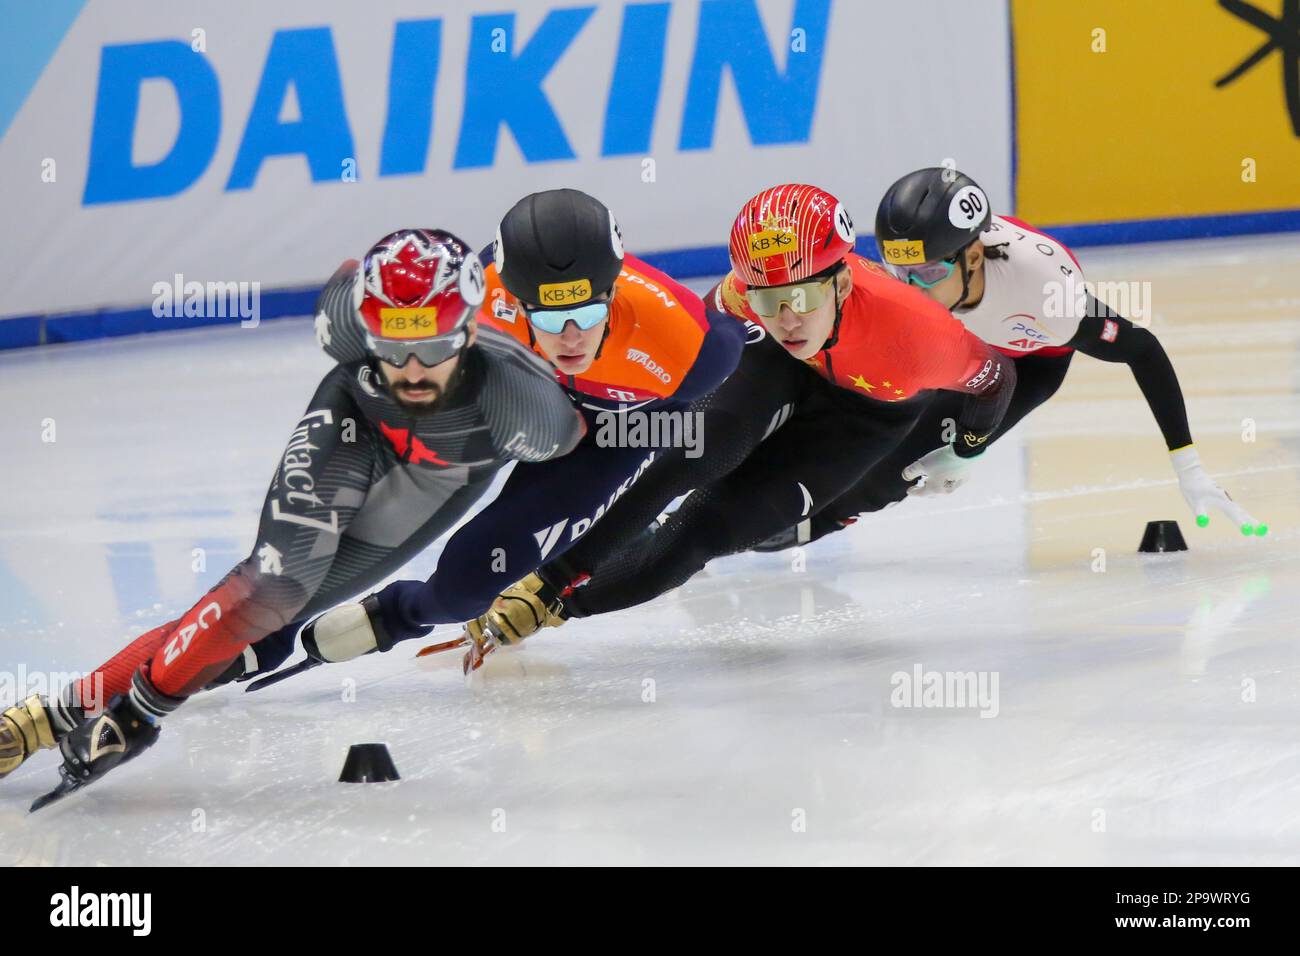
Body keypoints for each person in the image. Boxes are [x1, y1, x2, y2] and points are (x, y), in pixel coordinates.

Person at [2, 227, 586, 804]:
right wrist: (137, 715)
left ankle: (57, 715)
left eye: (432, 347)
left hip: (434, 480)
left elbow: (580, 458)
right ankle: (64, 720)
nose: (409, 370)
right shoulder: (341, 325)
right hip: (354, 426)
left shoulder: (531, 412)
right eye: (389, 345)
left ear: (469, 332)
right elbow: (343, 280)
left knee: (266, 617)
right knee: (270, 587)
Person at [439, 183, 1020, 664]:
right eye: (768, 299)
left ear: (842, 282)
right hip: (776, 368)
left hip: (868, 414)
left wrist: (964, 450)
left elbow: (998, 379)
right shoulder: (748, 301)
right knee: (690, 453)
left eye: (800, 298)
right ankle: (546, 580)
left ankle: (557, 606)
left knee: (709, 530)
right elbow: (698, 351)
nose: (788, 319)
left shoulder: (921, 337)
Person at [246, 188, 746, 678]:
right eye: (548, 316)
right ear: (515, 300)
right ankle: (271, 626)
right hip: (510, 402)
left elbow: (695, 417)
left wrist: (570, 566)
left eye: (588, 313)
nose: (570, 336)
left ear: (613, 291)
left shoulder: (694, 351)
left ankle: (399, 613)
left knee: (467, 584)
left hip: (608, 432)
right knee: (376, 508)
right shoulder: (476, 296)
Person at [759, 166, 1265, 547]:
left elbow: (1143, 350)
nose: (911, 289)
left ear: (974, 256)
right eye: (900, 273)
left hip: (1026, 365)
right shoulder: (913, 279)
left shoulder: (1048, 293)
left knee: (904, 462)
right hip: (951, 347)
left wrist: (1189, 466)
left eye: (930, 275)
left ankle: (812, 525)